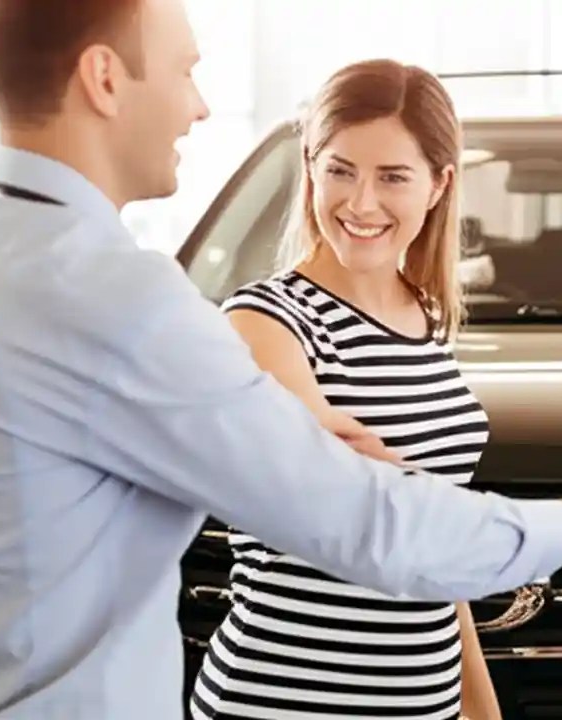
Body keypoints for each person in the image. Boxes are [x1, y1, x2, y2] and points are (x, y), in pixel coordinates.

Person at [0, 1, 562, 717]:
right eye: (185, 70)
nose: (198, 106)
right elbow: (356, 517)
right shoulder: (118, 298)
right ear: (104, 79)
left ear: (439, 187)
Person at [189, 59, 505, 720]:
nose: (361, 203)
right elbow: (357, 513)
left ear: (439, 185)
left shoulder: (426, 322)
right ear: (309, 168)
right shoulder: (264, 322)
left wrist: (479, 711)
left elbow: (438, 554)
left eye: (392, 177)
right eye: (339, 170)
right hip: (280, 703)